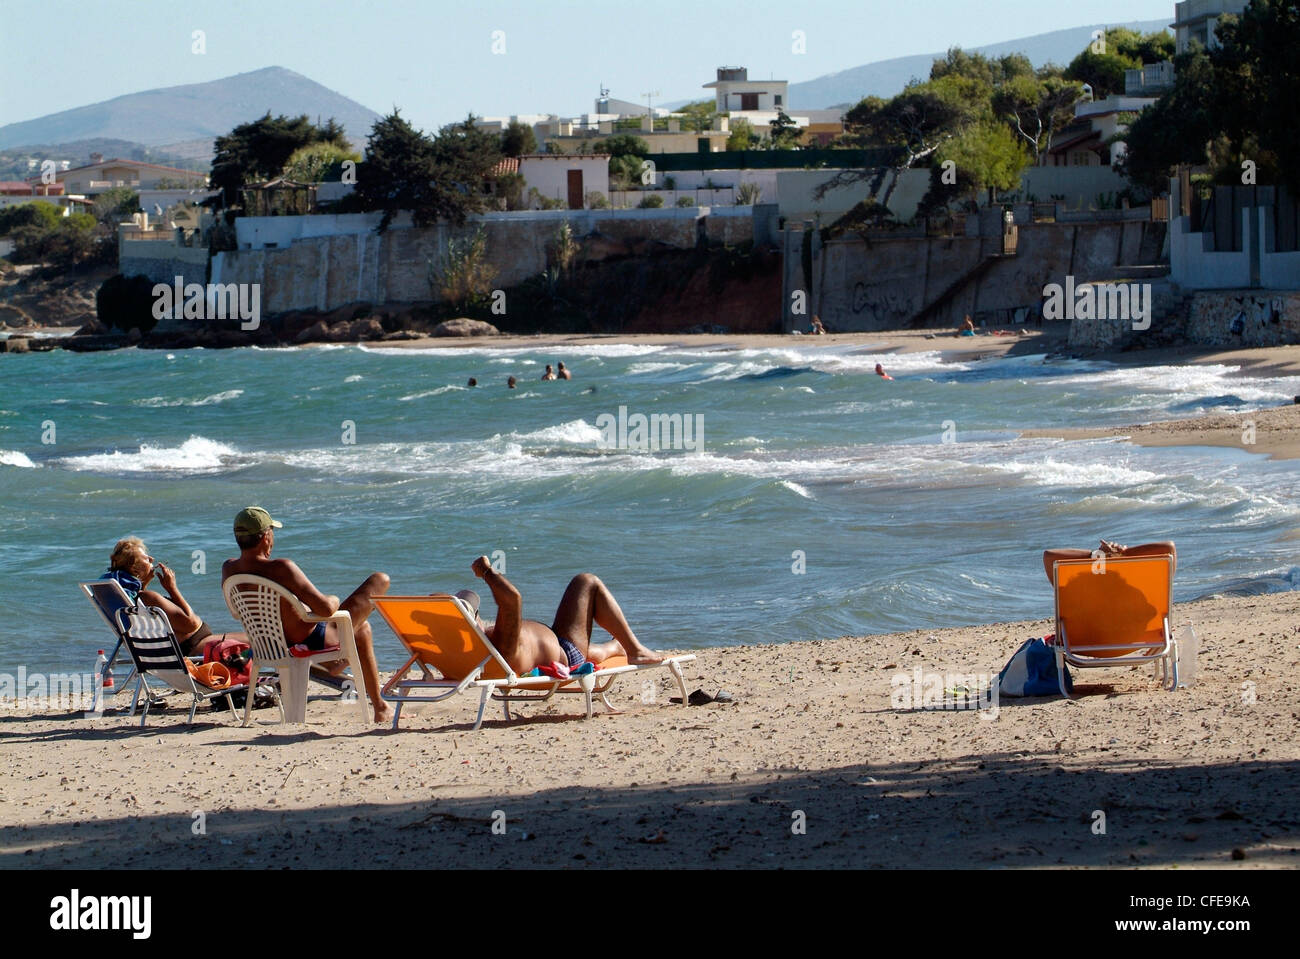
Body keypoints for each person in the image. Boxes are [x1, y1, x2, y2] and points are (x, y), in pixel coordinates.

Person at [220, 507, 391, 723]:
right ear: (265, 537)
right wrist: (333, 598)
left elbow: (236, 612)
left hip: (269, 644)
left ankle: (380, 706)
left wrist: (296, 606)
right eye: (272, 532)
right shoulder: (282, 567)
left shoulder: (229, 569)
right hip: (310, 642)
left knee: (363, 629)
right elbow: (326, 609)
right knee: (380, 580)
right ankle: (352, 679)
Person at [466, 556, 663, 675]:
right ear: (475, 625)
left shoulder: (469, 656)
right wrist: (486, 572)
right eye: (476, 615)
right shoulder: (501, 644)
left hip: (554, 643)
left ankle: (615, 646)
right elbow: (512, 599)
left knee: (596, 651)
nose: (480, 618)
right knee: (586, 582)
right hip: (567, 652)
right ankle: (635, 651)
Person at [102, 537, 237, 657]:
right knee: (254, 641)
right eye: (146, 558)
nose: (152, 559)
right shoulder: (148, 597)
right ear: (135, 569)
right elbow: (191, 624)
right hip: (194, 649)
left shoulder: (133, 598)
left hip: (188, 646)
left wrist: (143, 585)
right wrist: (172, 588)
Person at [1041, 540, 1177, 586]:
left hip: (1083, 641)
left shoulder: (1082, 599)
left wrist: (1095, 555)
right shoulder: (1141, 594)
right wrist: (1124, 553)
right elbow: (1168, 547)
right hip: (1139, 639)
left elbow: (1049, 556)